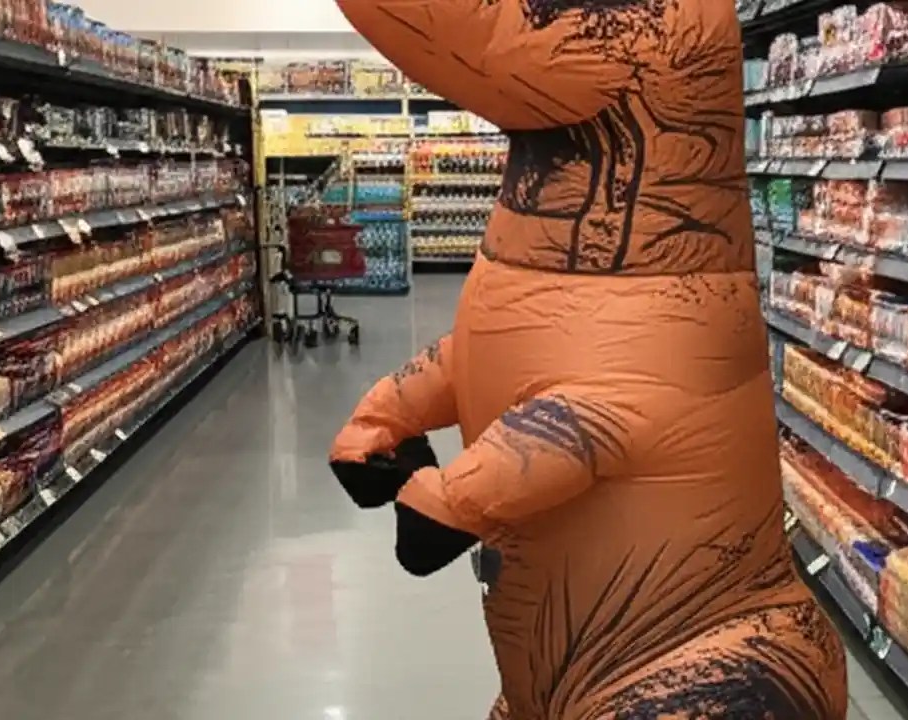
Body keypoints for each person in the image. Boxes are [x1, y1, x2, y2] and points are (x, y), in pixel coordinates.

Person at [328, 1, 848, 717]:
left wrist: (457, 497)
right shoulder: (541, 242)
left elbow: (618, 408)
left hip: (699, 650)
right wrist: (391, 409)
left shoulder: (680, 290)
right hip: (558, 672)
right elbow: (494, 354)